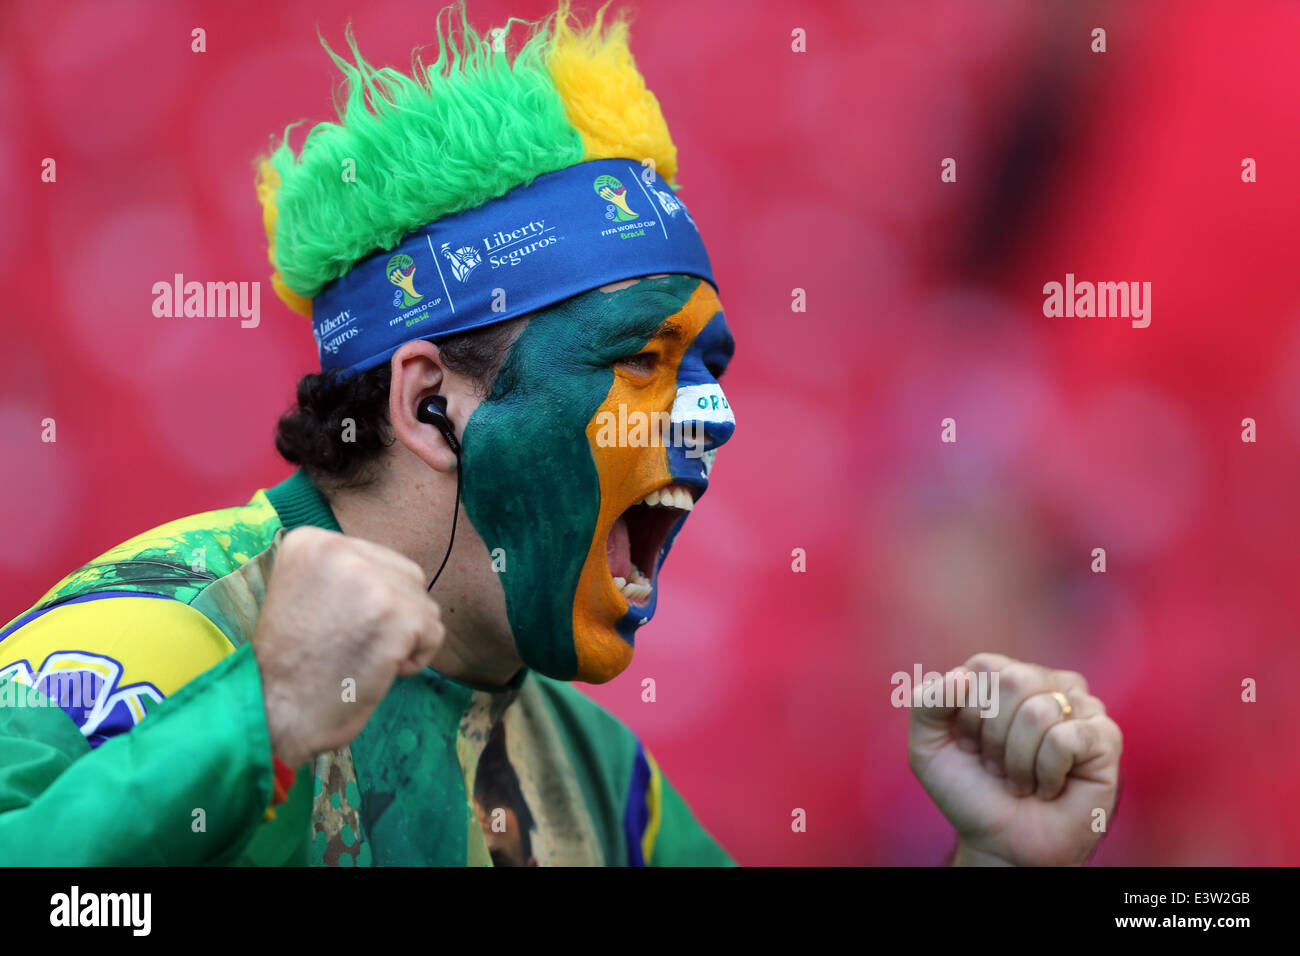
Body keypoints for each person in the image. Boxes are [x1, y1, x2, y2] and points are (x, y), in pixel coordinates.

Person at [0, 0, 1120, 867]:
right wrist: (265, 721)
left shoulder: (594, 781)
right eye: (639, 363)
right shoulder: (162, 634)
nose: (711, 417)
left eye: (708, 370)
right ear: (430, 402)